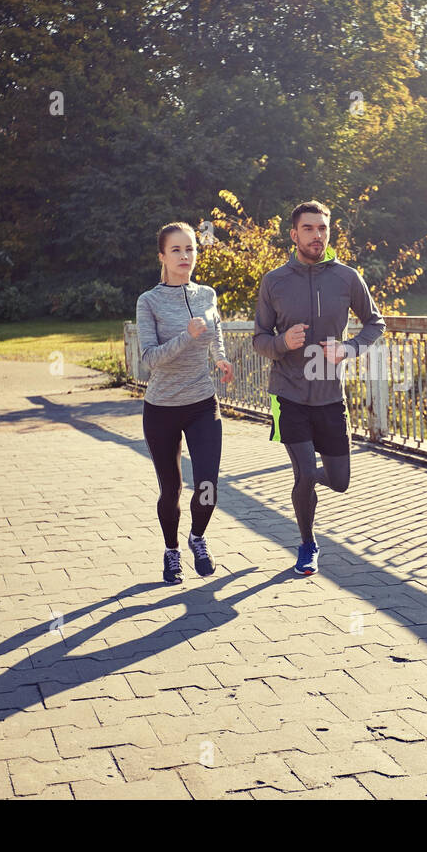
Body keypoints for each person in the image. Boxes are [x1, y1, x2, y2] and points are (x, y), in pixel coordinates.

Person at [252, 200, 385, 575]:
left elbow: (376, 323)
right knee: (306, 473)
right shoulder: (274, 281)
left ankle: (303, 484)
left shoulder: (347, 277)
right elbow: (258, 339)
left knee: (339, 481)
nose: (317, 235)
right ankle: (307, 544)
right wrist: (282, 343)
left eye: (323, 228)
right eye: (308, 229)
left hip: (330, 396)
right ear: (294, 234)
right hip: (287, 394)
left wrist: (350, 347)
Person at [136, 222, 234, 584]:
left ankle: (197, 538)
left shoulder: (207, 294)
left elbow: (215, 332)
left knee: (208, 485)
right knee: (171, 490)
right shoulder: (149, 301)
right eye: (176, 250)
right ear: (162, 256)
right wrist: (185, 336)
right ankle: (172, 551)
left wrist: (220, 358)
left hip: (201, 404)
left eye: (190, 249)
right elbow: (150, 358)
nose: (185, 256)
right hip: (161, 408)